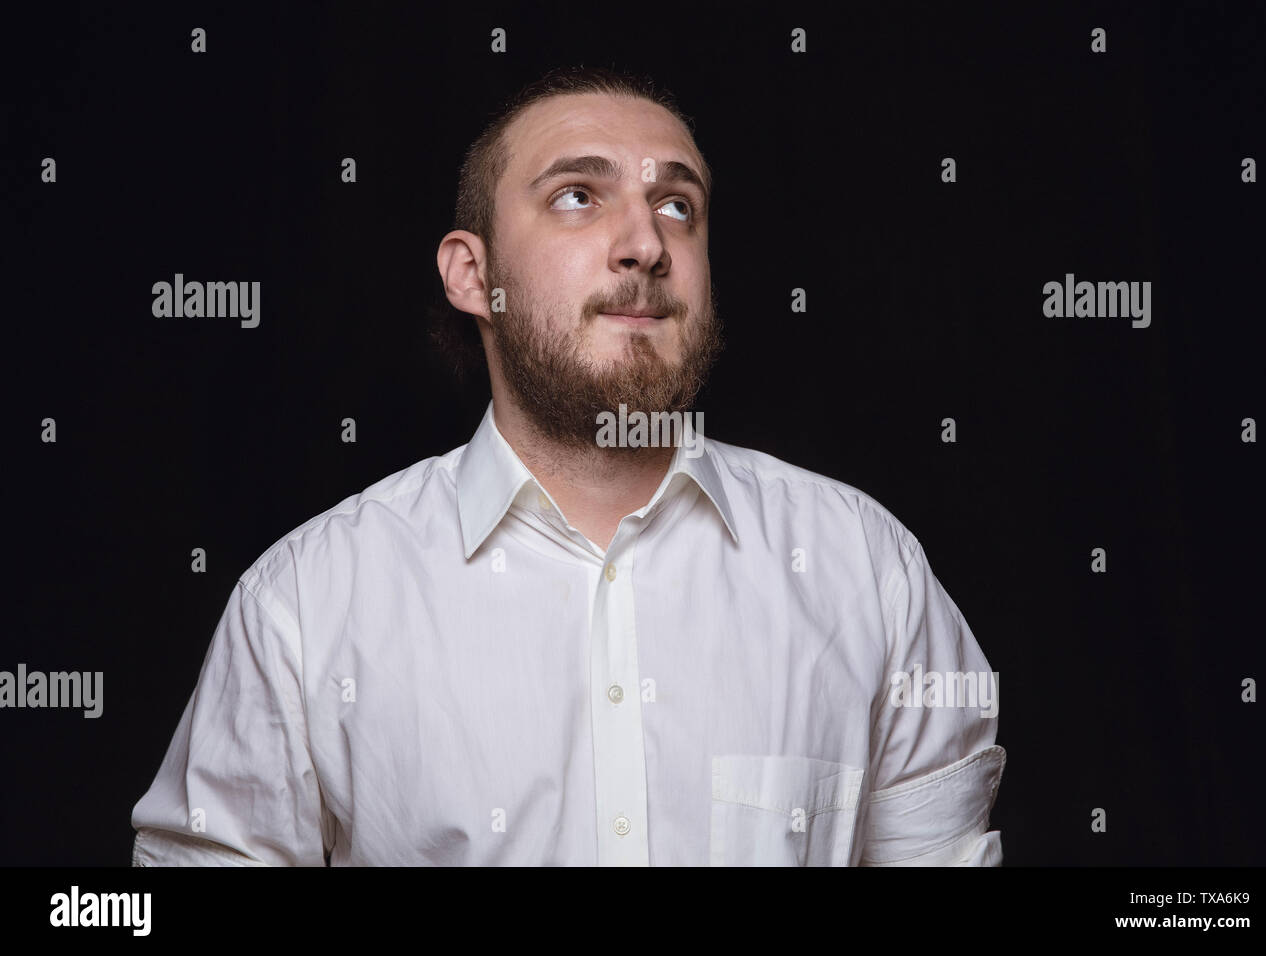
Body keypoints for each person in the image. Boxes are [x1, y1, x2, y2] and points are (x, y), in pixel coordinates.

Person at [130, 66, 1005, 866]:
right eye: (579, 196)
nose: (645, 244)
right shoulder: (305, 607)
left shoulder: (865, 570)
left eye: (677, 207)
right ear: (473, 275)